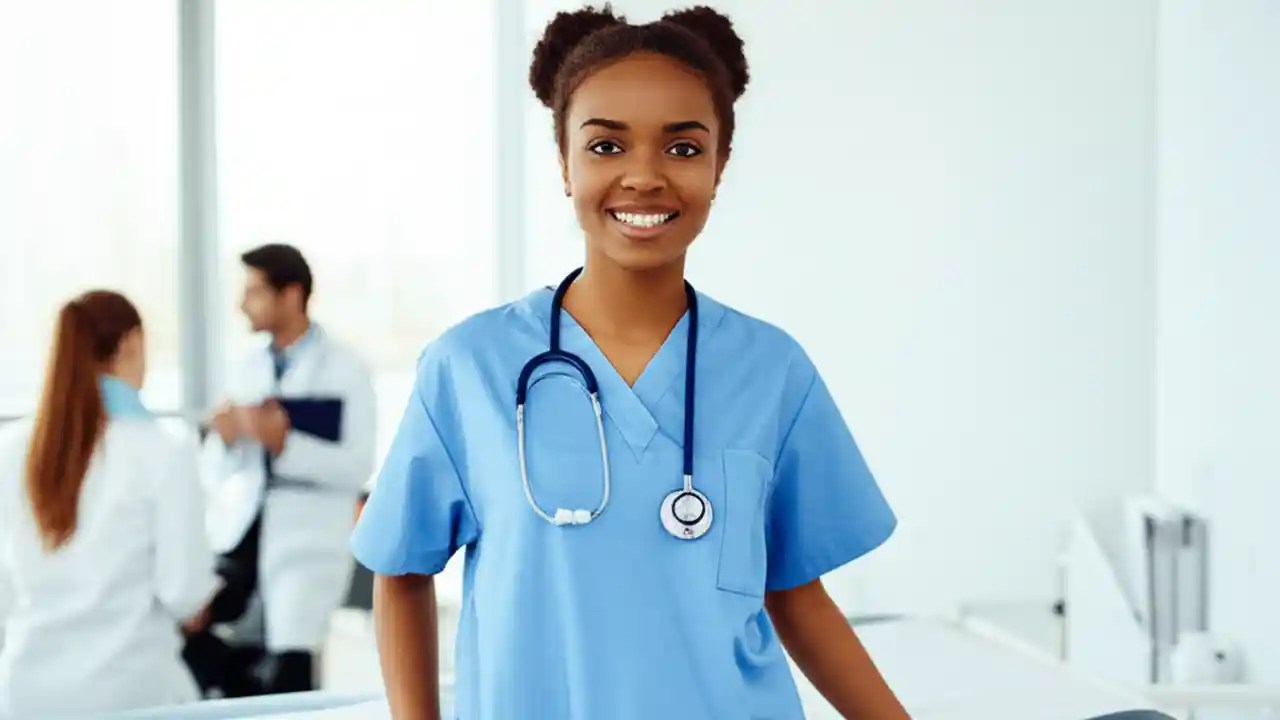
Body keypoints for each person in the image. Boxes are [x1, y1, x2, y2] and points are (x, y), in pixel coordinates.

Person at [352, 6, 908, 719]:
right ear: (563, 163)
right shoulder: (470, 368)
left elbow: (794, 589)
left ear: (719, 166)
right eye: (607, 147)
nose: (643, 177)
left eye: (681, 149)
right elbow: (400, 570)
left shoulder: (773, 371)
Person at [0, 290, 219, 716]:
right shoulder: (163, 452)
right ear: (130, 344)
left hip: (24, 693)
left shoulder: (11, 450)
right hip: (128, 692)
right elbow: (183, 592)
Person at [189, 243, 376, 696]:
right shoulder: (246, 366)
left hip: (308, 533)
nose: (241, 304)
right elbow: (216, 471)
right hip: (244, 527)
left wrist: (283, 443)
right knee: (197, 632)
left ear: (291, 294)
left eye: (254, 291)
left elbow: (357, 465)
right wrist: (228, 437)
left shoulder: (346, 368)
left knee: (290, 664)